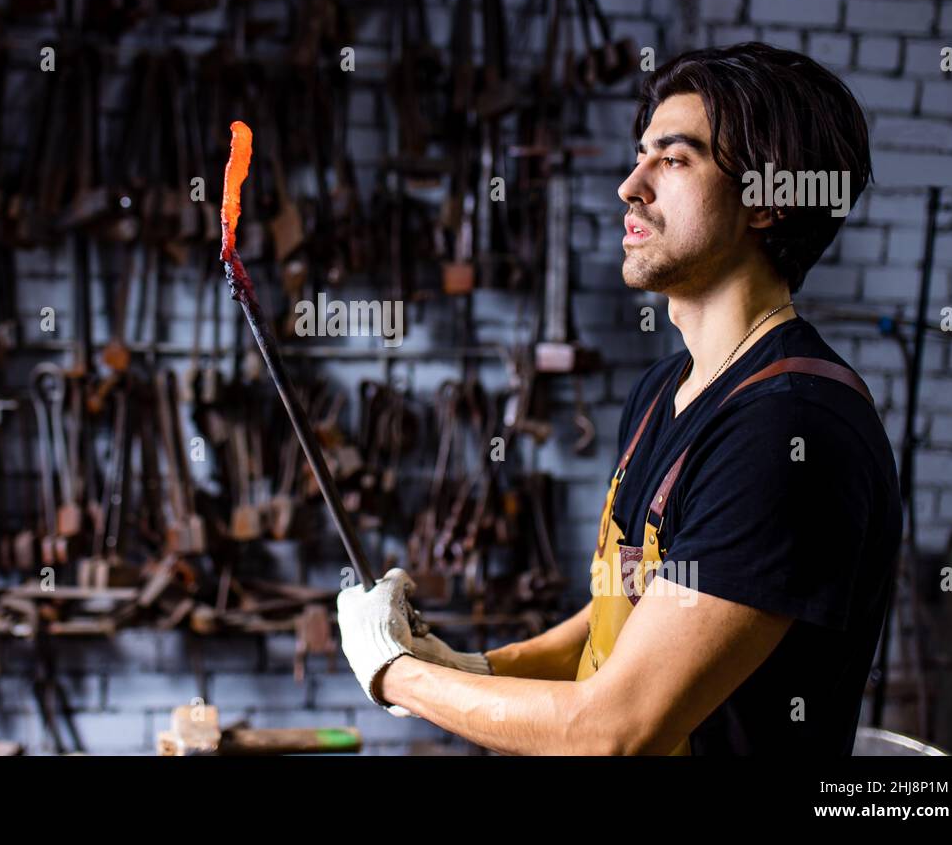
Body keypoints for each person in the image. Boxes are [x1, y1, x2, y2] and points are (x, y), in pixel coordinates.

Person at [337, 42, 902, 755]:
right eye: (641, 155)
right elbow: (625, 619)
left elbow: (616, 728)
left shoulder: (791, 430)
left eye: (674, 158)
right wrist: (475, 667)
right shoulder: (662, 390)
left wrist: (398, 677)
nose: (630, 185)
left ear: (770, 200)